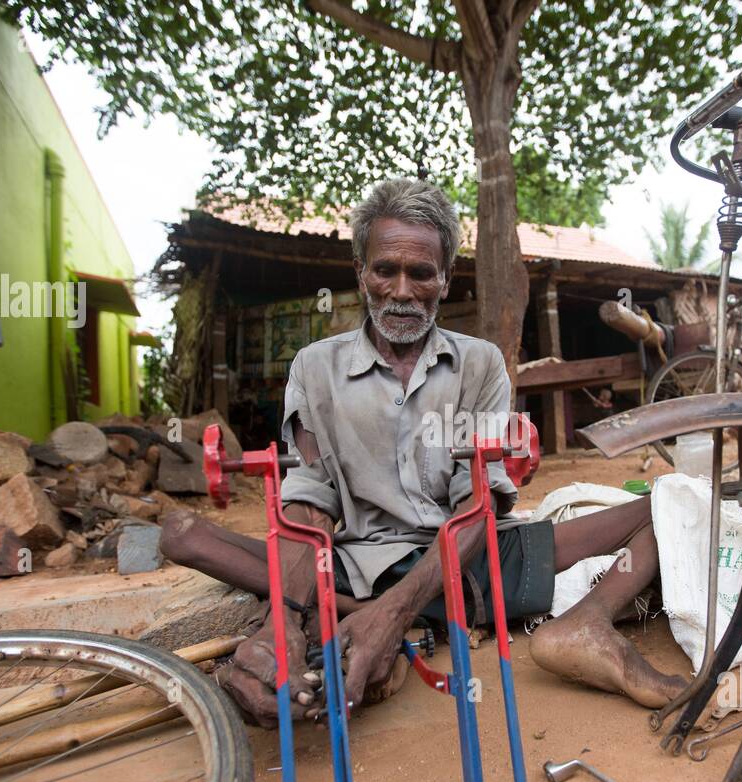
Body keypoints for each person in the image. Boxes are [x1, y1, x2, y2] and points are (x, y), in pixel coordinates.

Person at [160, 178, 686, 726]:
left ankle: (585, 623)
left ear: (445, 278)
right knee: (186, 535)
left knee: (664, 505)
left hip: (464, 560)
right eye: (385, 269)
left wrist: (393, 613)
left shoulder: (479, 364)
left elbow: (477, 505)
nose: (403, 290)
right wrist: (285, 618)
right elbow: (309, 500)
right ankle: (345, 612)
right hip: (350, 563)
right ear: (360, 272)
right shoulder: (315, 368)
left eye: (421, 273)